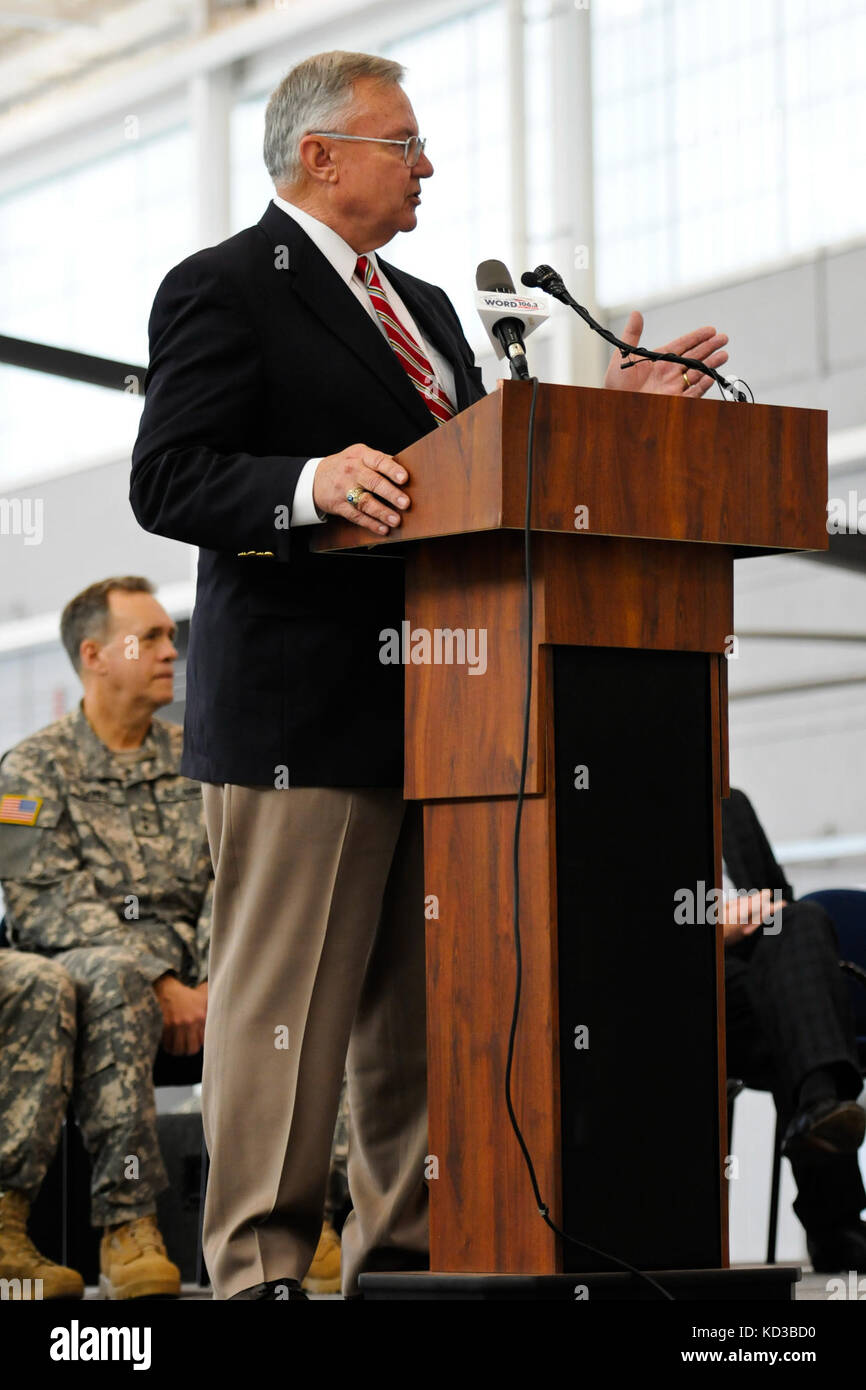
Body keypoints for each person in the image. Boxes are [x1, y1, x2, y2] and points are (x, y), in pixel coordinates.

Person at [129, 48, 730, 1300]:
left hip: (451, 715)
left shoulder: (426, 306)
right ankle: (258, 1274)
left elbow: (476, 469)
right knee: (286, 1014)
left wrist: (601, 412)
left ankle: (398, 1266)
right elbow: (168, 477)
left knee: (413, 1025)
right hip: (299, 718)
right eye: (403, 144)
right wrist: (309, 483)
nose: (427, 167)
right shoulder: (223, 286)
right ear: (320, 156)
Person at [0, 576, 212, 1299]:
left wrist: (211, 980)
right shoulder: (30, 767)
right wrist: (159, 978)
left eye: (170, 636)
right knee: (116, 979)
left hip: (204, 974)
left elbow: (236, 879)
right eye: (148, 638)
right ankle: (128, 1224)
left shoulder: (200, 761)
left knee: (307, 978)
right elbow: (40, 898)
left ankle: (307, 1220)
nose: (170, 650)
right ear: (94, 656)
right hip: (94, 974)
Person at [722, 787, 866, 1272]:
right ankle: (836, 1226)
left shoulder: (729, 803)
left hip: (760, 979)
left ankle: (817, 1106)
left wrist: (769, 912)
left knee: (801, 918)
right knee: (800, 1017)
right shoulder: (634, 810)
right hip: (690, 988)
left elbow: (777, 896)